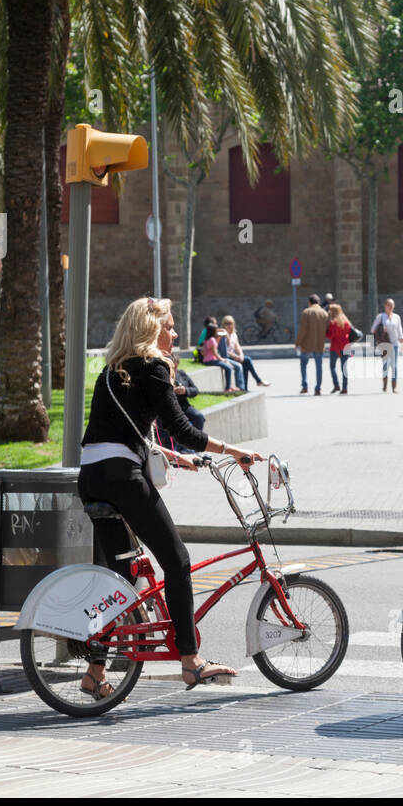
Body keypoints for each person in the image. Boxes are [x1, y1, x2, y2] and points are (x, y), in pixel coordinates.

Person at [78, 296, 264, 695]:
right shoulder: (154, 367)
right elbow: (182, 427)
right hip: (121, 477)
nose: (176, 333)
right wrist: (233, 450)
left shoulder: (111, 371)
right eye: (170, 326)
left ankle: (95, 671)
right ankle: (191, 661)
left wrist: (177, 459)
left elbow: (124, 433)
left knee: (122, 578)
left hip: (92, 476)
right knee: (177, 561)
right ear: (150, 328)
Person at [219, 315, 269, 387]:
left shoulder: (233, 334)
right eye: (226, 324)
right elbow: (224, 351)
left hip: (234, 356)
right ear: (223, 325)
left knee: (245, 363)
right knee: (247, 360)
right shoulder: (222, 335)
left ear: (233, 324)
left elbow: (237, 346)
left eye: (230, 323)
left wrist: (241, 355)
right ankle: (258, 380)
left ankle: (245, 387)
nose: (229, 325)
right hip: (227, 357)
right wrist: (236, 356)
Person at [295, 293, 329, 394]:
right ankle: (318, 388)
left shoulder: (306, 312)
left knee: (303, 364)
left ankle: (305, 386)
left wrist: (297, 343)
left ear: (309, 302)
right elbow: (327, 329)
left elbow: (302, 330)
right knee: (319, 366)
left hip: (306, 344)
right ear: (318, 302)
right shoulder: (324, 313)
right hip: (319, 344)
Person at [370, 298, 403, 393]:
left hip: (394, 344)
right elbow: (372, 330)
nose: (390, 307)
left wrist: (402, 344)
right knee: (386, 365)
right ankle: (385, 385)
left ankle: (394, 387)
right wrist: (381, 329)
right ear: (385, 306)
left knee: (394, 366)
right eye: (389, 305)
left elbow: (399, 330)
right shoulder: (380, 317)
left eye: (392, 305)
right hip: (385, 345)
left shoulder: (397, 317)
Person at [326, 303, 354, 394]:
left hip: (335, 347)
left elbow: (330, 336)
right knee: (344, 369)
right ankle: (345, 388)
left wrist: (325, 332)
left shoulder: (333, 323)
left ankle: (336, 385)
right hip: (345, 347)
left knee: (332, 367)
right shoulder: (346, 322)